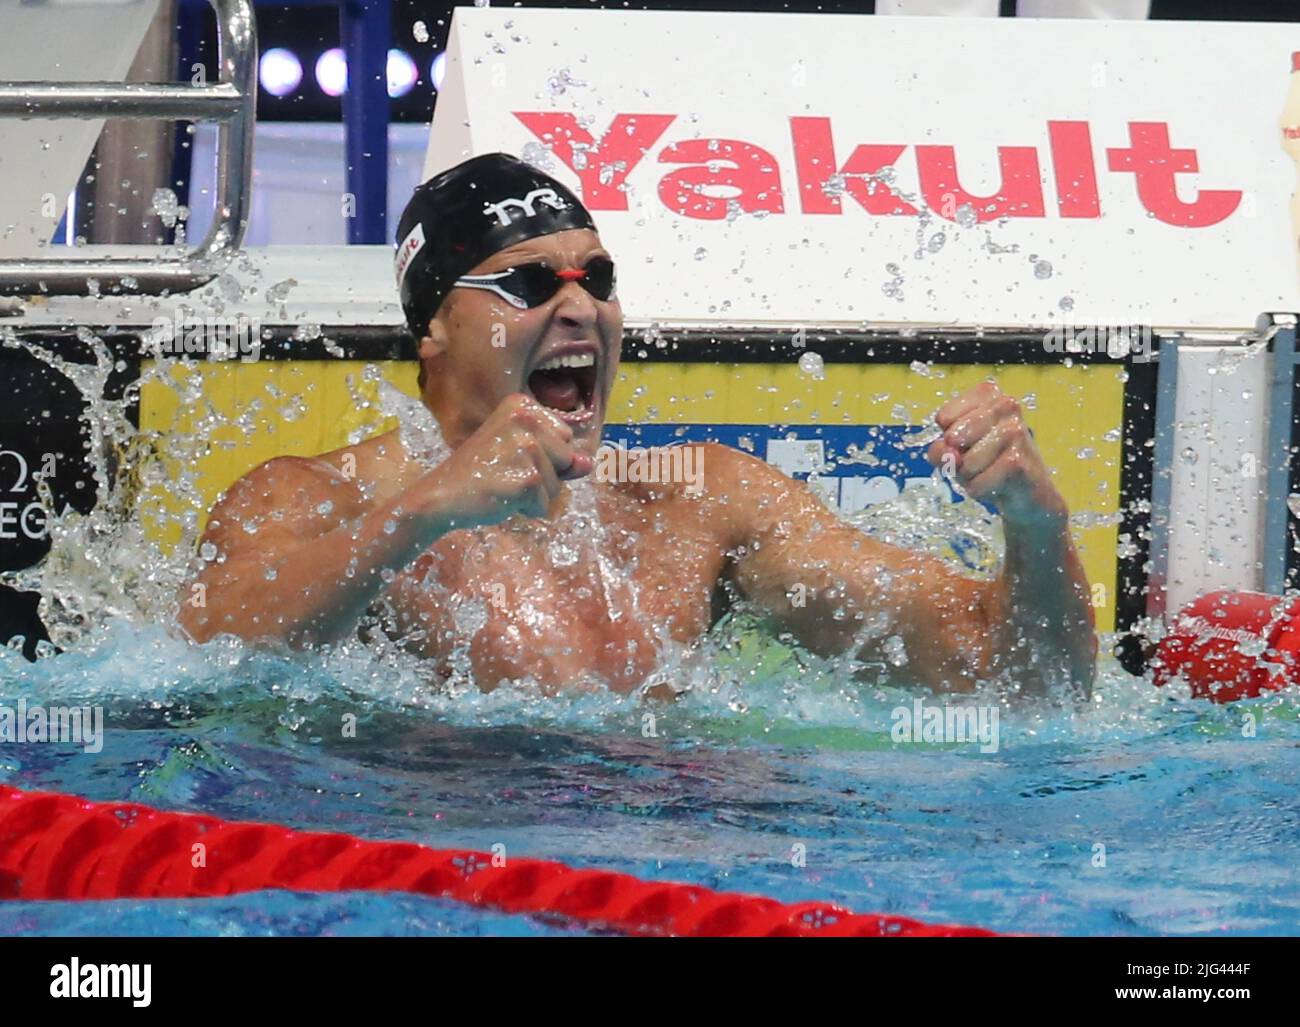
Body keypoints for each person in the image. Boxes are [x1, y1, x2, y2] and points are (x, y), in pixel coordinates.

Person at [178, 153, 1096, 698]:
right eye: (531, 284)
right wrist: (419, 515)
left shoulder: (700, 502)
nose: (581, 310)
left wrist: (1037, 524)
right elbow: (198, 660)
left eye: (598, 280)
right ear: (434, 330)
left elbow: (1015, 686)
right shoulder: (322, 497)